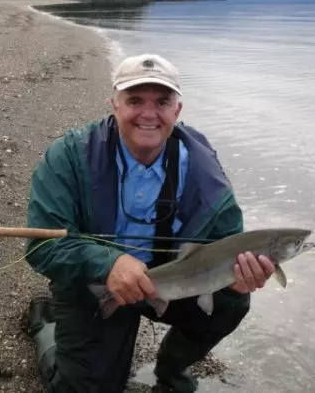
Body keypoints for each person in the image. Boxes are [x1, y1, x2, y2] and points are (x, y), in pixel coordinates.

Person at [24, 53, 275, 393]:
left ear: (177, 110)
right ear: (114, 104)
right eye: (135, 100)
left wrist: (237, 279)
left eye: (162, 101)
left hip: (174, 281)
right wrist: (107, 263)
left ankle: (172, 371)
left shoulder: (205, 172)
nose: (148, 114)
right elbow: (42, 247)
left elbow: (228, 243)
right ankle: (46, 326)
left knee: (232, 302)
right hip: (93, 284)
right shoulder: (68, 157)